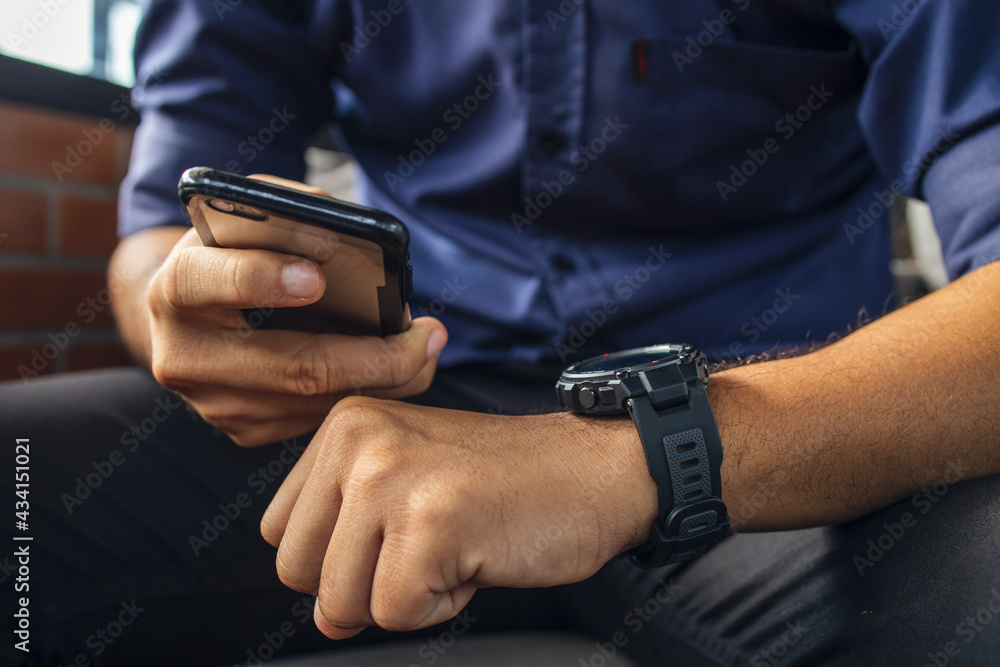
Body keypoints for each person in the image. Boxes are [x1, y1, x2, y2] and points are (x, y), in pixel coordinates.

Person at [3, 0, 1000, 665]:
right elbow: (153, 241)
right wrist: (186, 315)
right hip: (391, 423)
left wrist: (632, 457)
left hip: (786, 441)